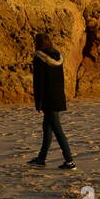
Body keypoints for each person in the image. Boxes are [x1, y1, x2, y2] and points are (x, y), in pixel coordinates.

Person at [28, 32, 75, 169]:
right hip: (58, 97)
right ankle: (41, 159)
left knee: (58, 131)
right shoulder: (58, 55)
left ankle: (69, 161)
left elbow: (39, 82)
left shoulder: (39, 57)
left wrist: (39, 103)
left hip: (48, 99)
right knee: (47, 129)